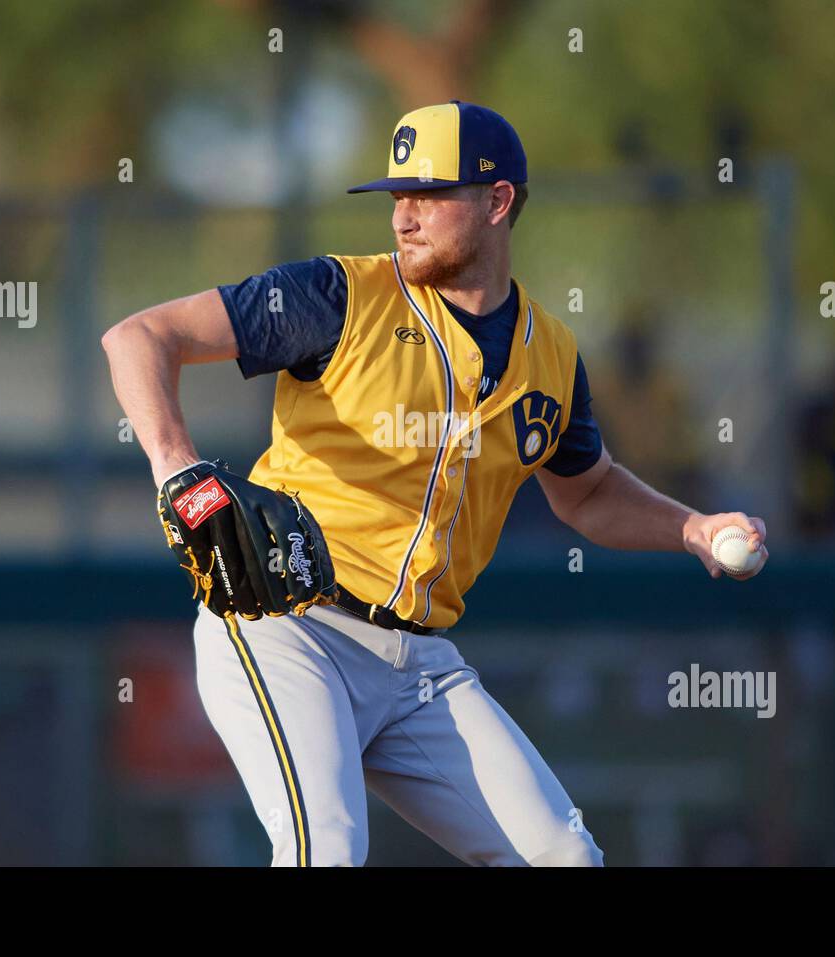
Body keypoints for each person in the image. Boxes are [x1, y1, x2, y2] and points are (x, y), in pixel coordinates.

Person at [101, 101, 768, 866]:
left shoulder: (548, 352)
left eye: (429, 194)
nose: (404, 216)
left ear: (497, 201)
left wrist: (691, 528)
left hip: (417, 664)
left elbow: (587, 491)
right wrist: (177, 464)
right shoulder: (337, 297)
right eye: (397, 196)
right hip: (287, 626)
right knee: (325, 850)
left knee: (563, 856)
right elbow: (141, 337)